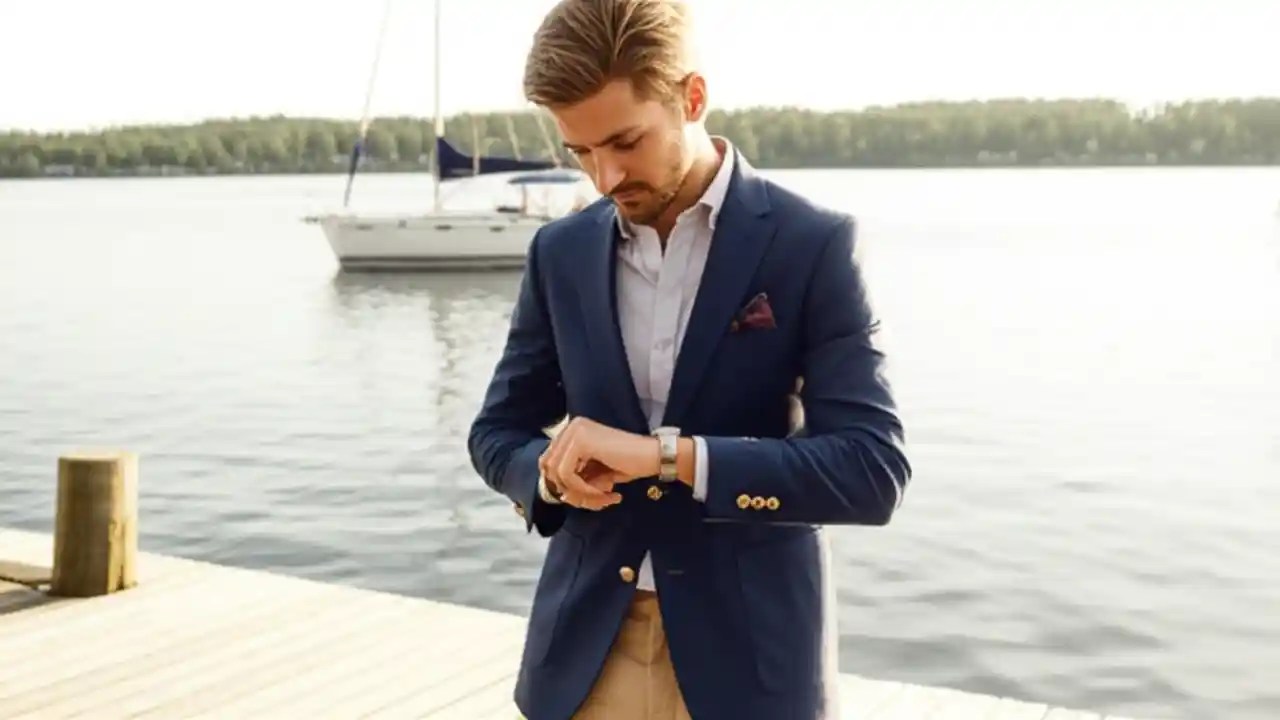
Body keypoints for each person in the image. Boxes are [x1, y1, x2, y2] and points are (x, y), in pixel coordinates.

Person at [467, 1, 911, 717]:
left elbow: (871, 470)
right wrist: (547, 477)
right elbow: (495, 434)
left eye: (625, 142)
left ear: (692, 97)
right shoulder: (560, 252)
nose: (604, 177)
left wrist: (667, 458)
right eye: (579, 153)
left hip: (751, 662)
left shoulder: (810, 244)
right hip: (584, 657)